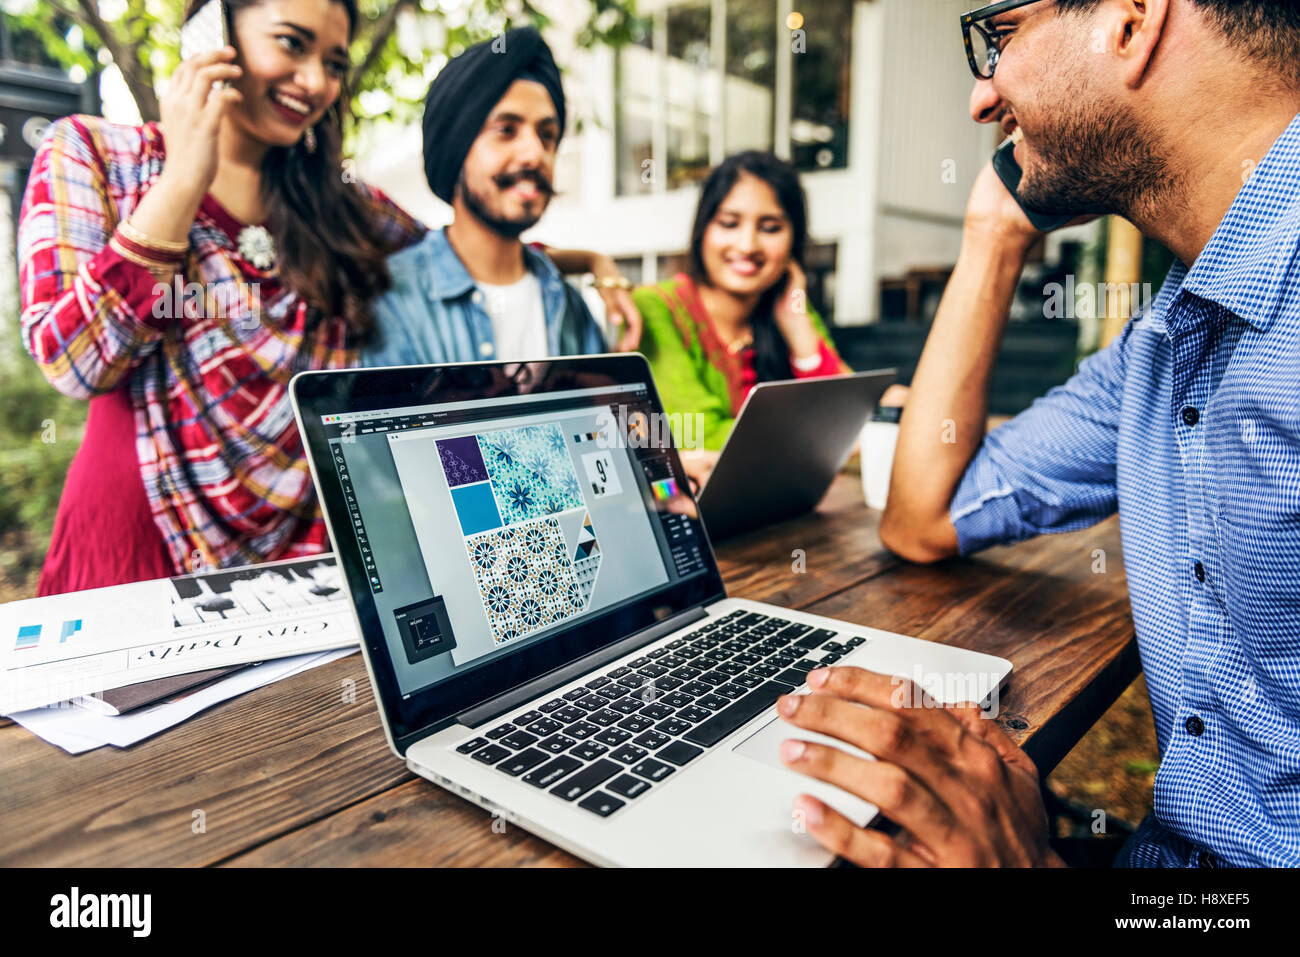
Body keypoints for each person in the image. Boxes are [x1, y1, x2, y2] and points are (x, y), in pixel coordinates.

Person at [773, 0, 1300, 868]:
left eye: (1001, 36)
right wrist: (991, 232)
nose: (982, 100)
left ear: (1132, 20)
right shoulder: (1167, 344)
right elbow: (923, 517)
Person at [19, 0, 430, 595]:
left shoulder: (341, 208)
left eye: (334, 63)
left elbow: (455, 255)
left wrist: (592, 264)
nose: (316, 82)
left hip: (304, 575)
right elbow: (74, 359)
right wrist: (184, 176)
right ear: (213, 35)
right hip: (134, 561)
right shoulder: (95, 155)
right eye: (292, 43)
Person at [363, 27, 636, 367]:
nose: (535, 154)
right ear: (455, 149)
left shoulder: (568, 304)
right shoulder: (393, 301)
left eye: (547, 135)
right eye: (506, 130)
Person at [631, 152, 850, 483]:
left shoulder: (792, 309)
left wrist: (798, 326)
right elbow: (697, 435)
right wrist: (825, 442)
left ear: (794, 240)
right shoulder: (654, 308)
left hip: (790, 509)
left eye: (770, 228)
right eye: (729, 223)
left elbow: (849, 412)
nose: (747, 245)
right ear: (703, 229)